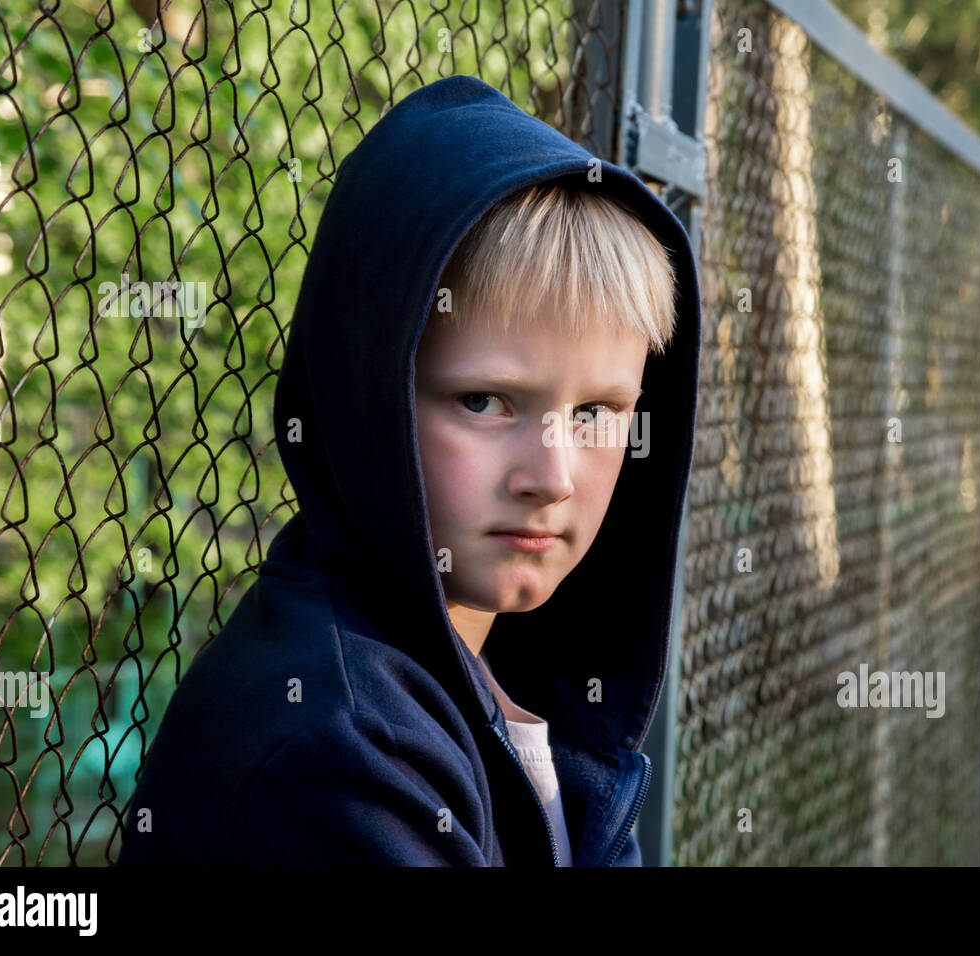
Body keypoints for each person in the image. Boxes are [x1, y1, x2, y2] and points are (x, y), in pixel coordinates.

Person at [113, 73, 702, 866]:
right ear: (368, 391)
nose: (553, 476)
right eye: (486, 401)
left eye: (596, 414)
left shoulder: (507, 680)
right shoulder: (340, 752)